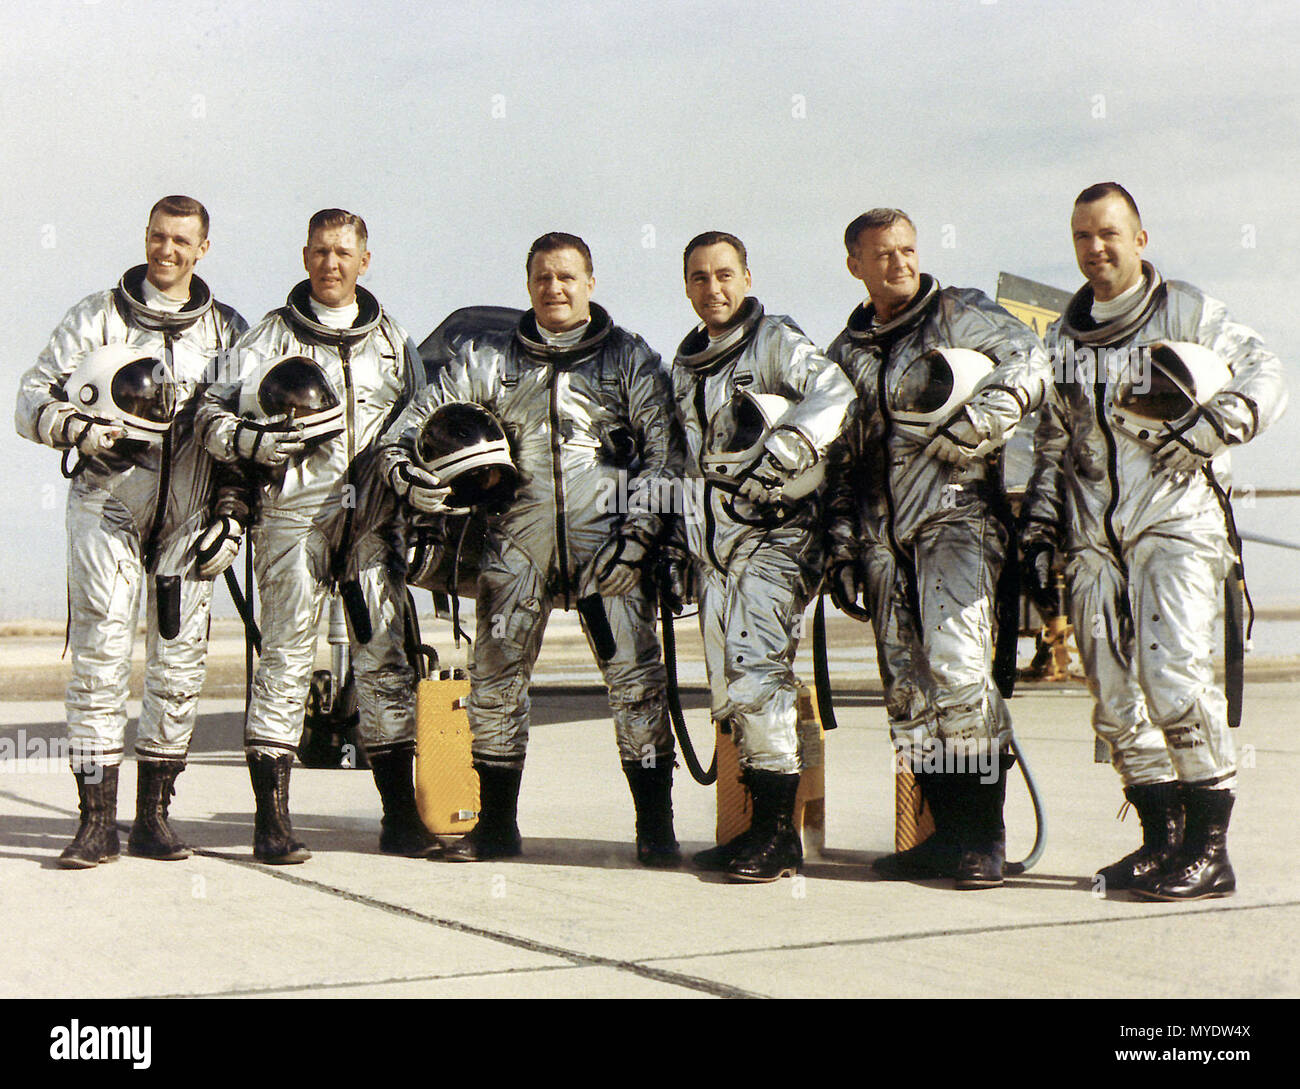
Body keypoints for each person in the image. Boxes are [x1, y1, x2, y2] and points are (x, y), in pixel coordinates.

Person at [380, 232, 687, 866]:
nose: (556, 289)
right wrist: (403, 471)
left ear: (590, 283)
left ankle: (655, 829)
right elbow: (412, 424)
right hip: (517, 542)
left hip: (611, 546)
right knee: (494, 686)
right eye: (544, 277)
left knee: (638, 687)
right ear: (529, 284)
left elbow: (666, 454)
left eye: (568, 277)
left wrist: (639, 538)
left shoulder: (628, 360)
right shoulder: (488, 361)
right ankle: (496, 827)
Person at [1020, 183, 1288, 900]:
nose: (1095, 249)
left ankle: (1210, 849)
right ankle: (1161, 839)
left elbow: (1266, 370)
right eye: (1082, 237)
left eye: (1108, 233)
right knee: (1112, 695)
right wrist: (1042, 527)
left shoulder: (1188, 311)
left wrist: (1213, 426)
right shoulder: (1064, 338)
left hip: (1174, 520)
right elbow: (1054, 437)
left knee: (1174, 677)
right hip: (1093, 536)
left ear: (1140, 237)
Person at [15, 195, 248, 868]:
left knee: (178, 669)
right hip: (108, 504)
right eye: (157, 236)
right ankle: (95, 822)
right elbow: (31, 396)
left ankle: (153, 817)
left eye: (181, 240)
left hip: (190, 515)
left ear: (203, 247)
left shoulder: (228, 332)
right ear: (145, 237)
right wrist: (73, 426)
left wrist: (231, 514)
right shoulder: (98, 316)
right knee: (100, 660)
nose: (166, 250)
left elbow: (242, 432)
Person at [198, 208, 435, 863]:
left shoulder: (394, 341)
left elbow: (422, 424)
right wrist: (251, 440)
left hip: (372, 525)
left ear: (365, 260)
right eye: (321, 252)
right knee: (284, 667)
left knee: (386, 668)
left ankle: (399, 817)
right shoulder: (267, 339)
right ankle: (271, 823)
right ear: (305, 257)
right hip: (292, 521)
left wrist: (421, 506)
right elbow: (208, 417)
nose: (331, 263)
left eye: (343, 252)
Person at [825, 208, 1051, 889]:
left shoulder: (959, 313)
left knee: (957, 676)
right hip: (881, 542)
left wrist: (985, 418)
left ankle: (983, 836)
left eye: (907, 249)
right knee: (910, 698)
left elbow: (1035, 358)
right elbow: (840, 457)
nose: (899, 262)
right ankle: (944, 835)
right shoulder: (848, 353)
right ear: (855, 264)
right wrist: (840, 544)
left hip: (956, 523)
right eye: (883, 254)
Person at [670, 231, 854, 883]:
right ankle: (755, 825)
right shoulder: (685, 365)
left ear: (747, 276)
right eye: (699, 277)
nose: (712, 288)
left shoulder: (775, 339)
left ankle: (780, 836)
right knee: (728, 689)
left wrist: (788, 451)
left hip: (779, 535)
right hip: (716, 547)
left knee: (757, 673)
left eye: (724, 274)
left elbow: (835, 394)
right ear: (687, 285)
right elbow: (682, 461)